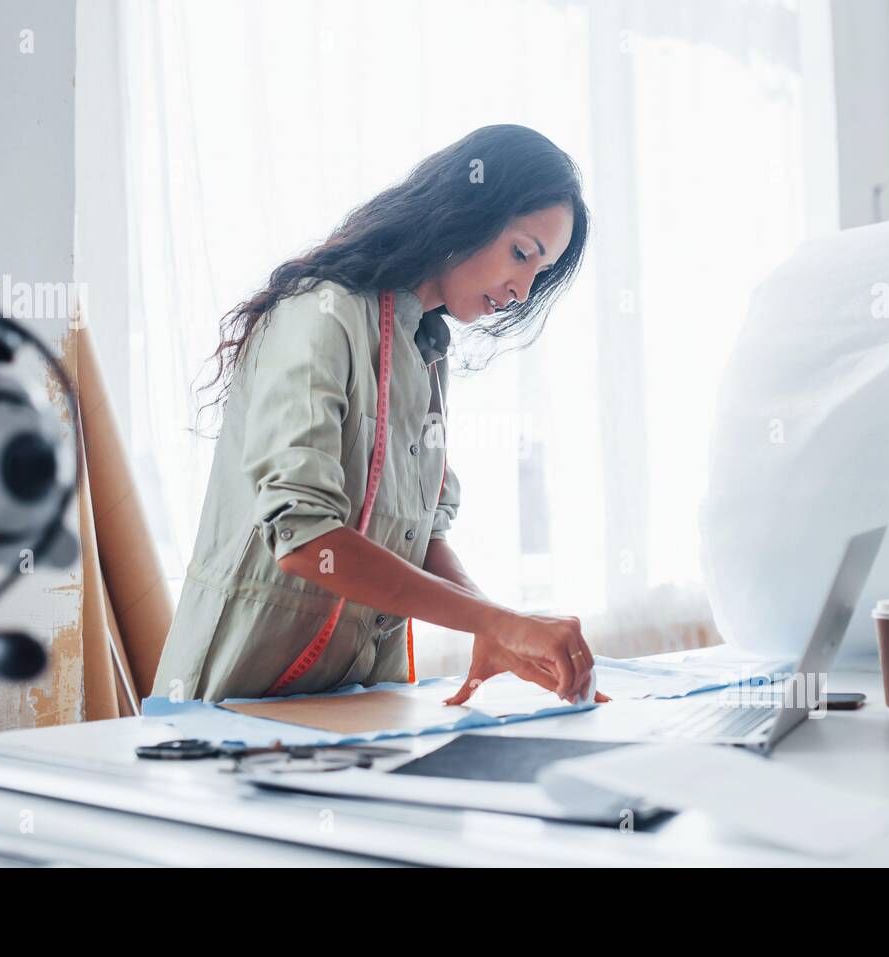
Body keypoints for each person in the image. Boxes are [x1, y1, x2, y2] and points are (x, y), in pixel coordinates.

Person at [151, 124, 603, 706]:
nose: (521, 289)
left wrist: (495, 622)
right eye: (521, 253)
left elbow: (421, 540)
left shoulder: (426, 347)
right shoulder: (321, 314)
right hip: (241, 698)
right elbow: (304, 536)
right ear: (467, 209)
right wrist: (496, 623)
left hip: (357, 701)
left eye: (538, 275)